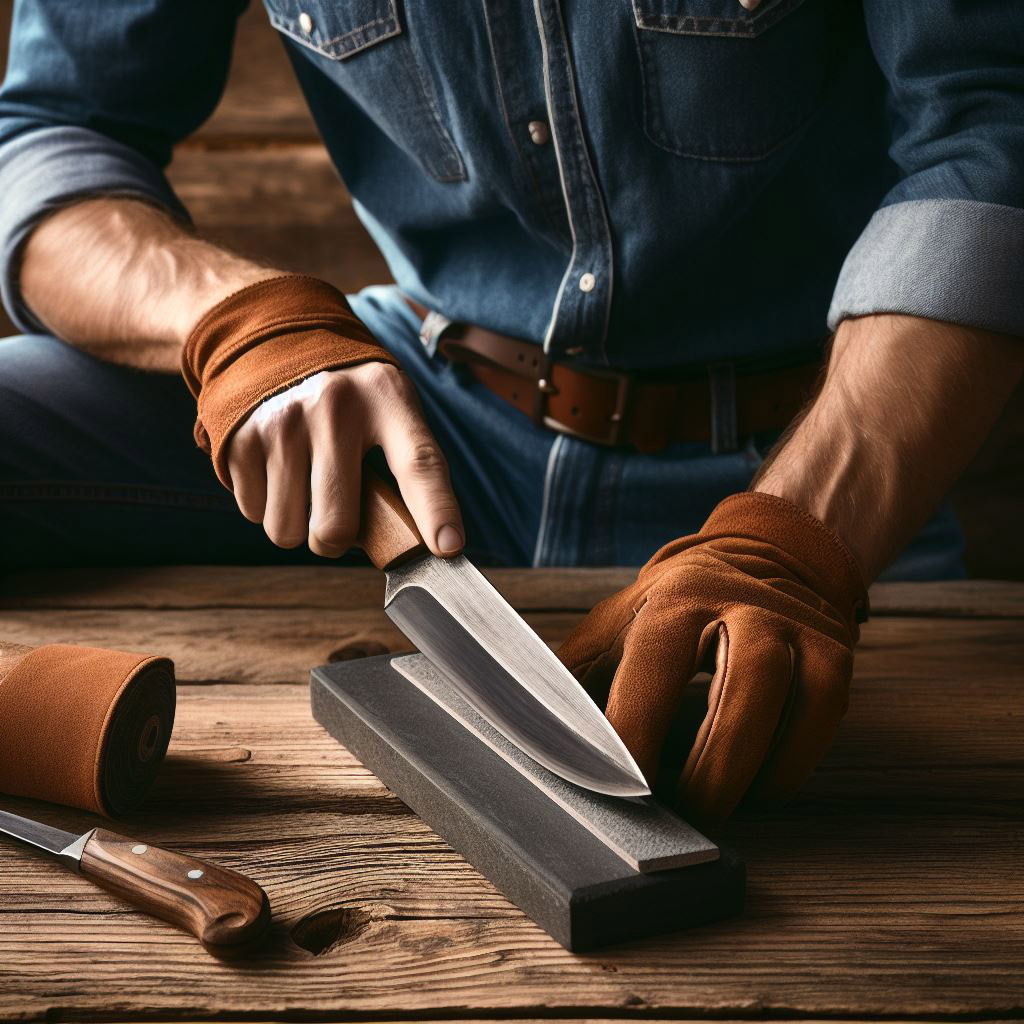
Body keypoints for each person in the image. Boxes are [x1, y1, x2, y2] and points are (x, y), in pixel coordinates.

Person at [0, 1, 1021, 819]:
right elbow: (51, 134)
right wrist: (235, 323)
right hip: (413, 418)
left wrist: (792, 546)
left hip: (802, 457)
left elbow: (993, 131)